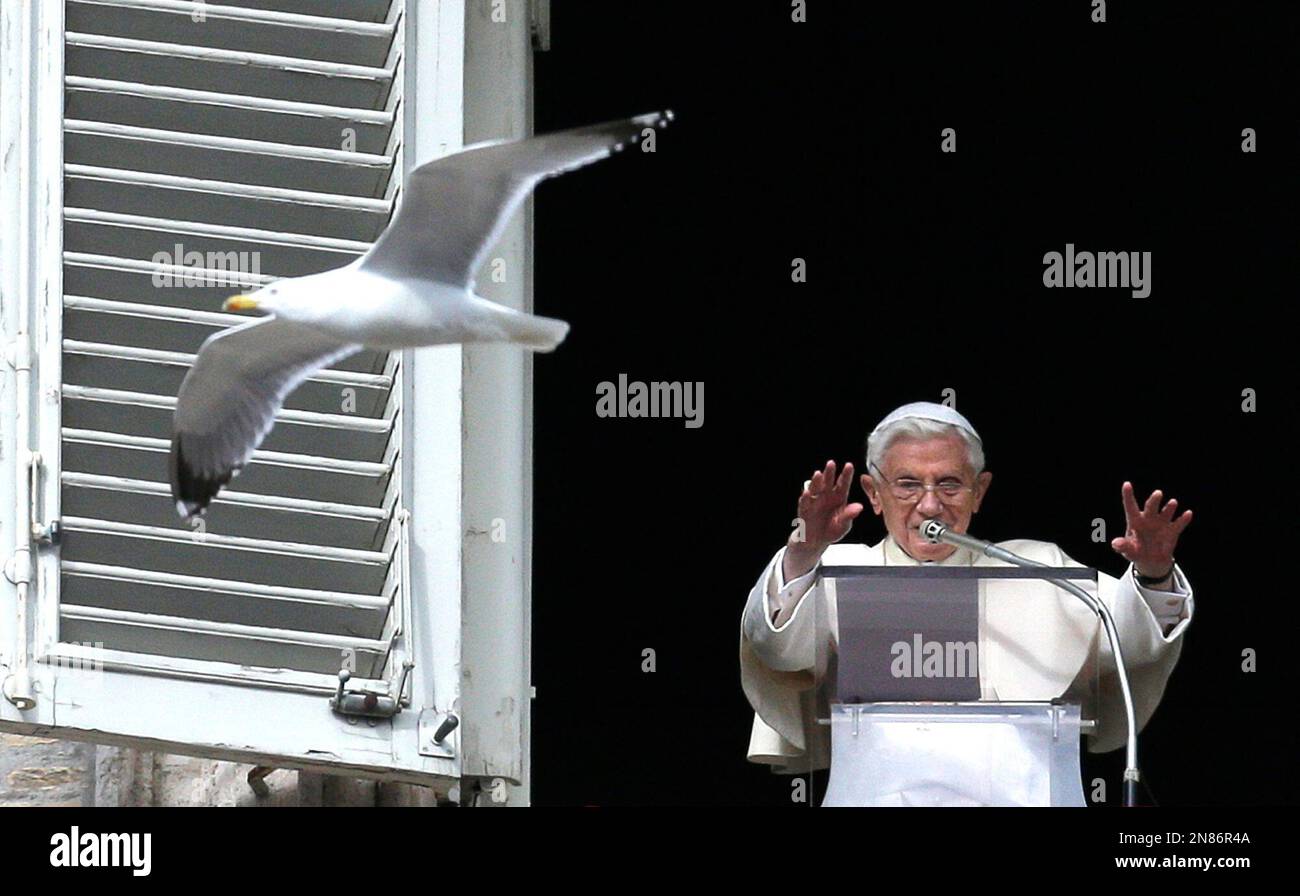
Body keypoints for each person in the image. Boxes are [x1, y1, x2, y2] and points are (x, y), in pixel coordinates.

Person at [739, 401, 1194, 777]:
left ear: (980, 492)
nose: (931, 503)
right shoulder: (839, 569)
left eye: (950, 484)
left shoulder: (1039, 568)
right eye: (908, 484)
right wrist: (802, 552)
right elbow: (777, 651)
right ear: (873, 493)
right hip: (876, 789)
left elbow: (1133, 648)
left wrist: (1154, 574)